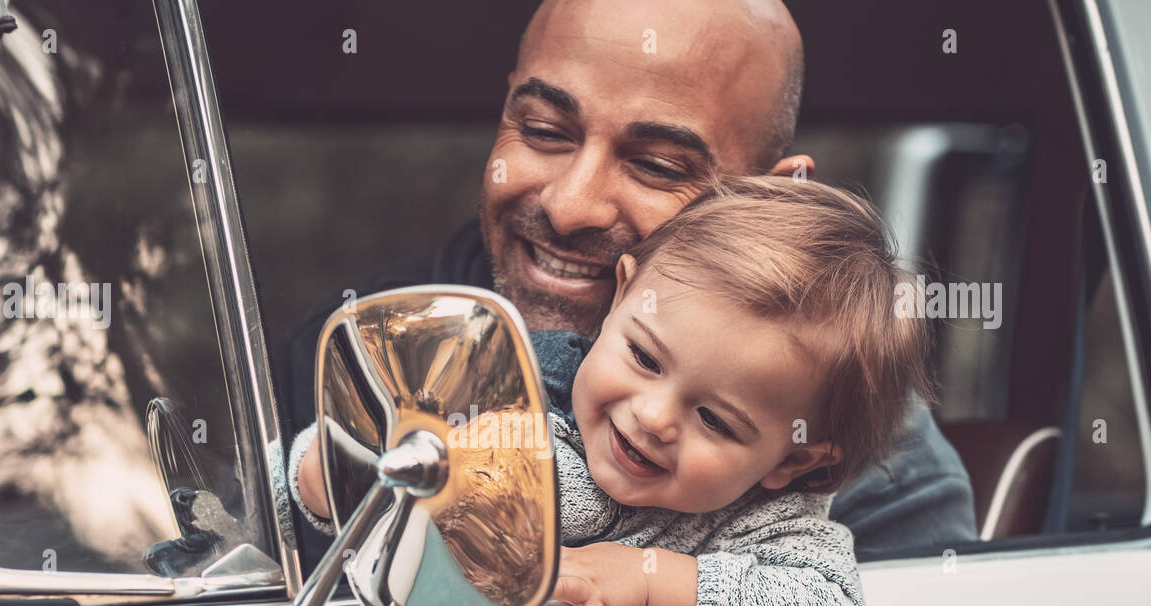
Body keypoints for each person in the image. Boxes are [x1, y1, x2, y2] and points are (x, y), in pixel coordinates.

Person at [273, 0, 976, 565]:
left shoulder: (880, 478)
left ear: (772, 196)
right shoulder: (361, 346)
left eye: (659, 166)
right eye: (545, 129)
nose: (569, 204)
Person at [284, 175, 935, 606]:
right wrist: (331, 472)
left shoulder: (772, 522)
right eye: (644, 358)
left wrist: (650, 580)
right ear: (621, 297)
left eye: (713, 418)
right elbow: (374, 485)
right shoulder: (514, 399)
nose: (651, 416)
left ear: (793, 460)